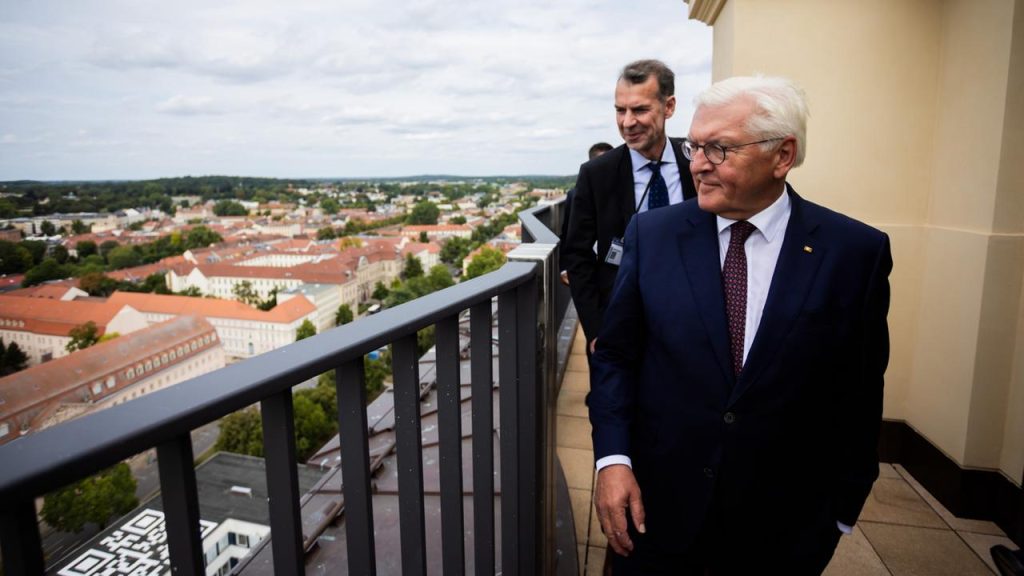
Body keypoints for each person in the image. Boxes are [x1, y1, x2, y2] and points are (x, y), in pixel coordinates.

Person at [588, 75, 892, 574]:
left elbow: (858, 392)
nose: (699, 164)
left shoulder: (854, 253)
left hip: (783, 530)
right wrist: (613, 459)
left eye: (719, 149)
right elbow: (617, 356)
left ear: (782, 155)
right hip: (656, 514)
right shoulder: (654, 234)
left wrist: (839, 514)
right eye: (694, 147)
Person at [563, 59, 698, 352]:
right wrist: (596, 329)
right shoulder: (596, 173)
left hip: (691, 318)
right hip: (620, 321)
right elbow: (576, 254)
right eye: (620, 110)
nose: (627, 122)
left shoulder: (698, 161)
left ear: (669, 106)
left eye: (639, 109)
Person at [560, 142, 613, 286]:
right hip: (586, 267)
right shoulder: (575, 195)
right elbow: (568, 234)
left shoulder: (624, 192)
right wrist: (564, 268)